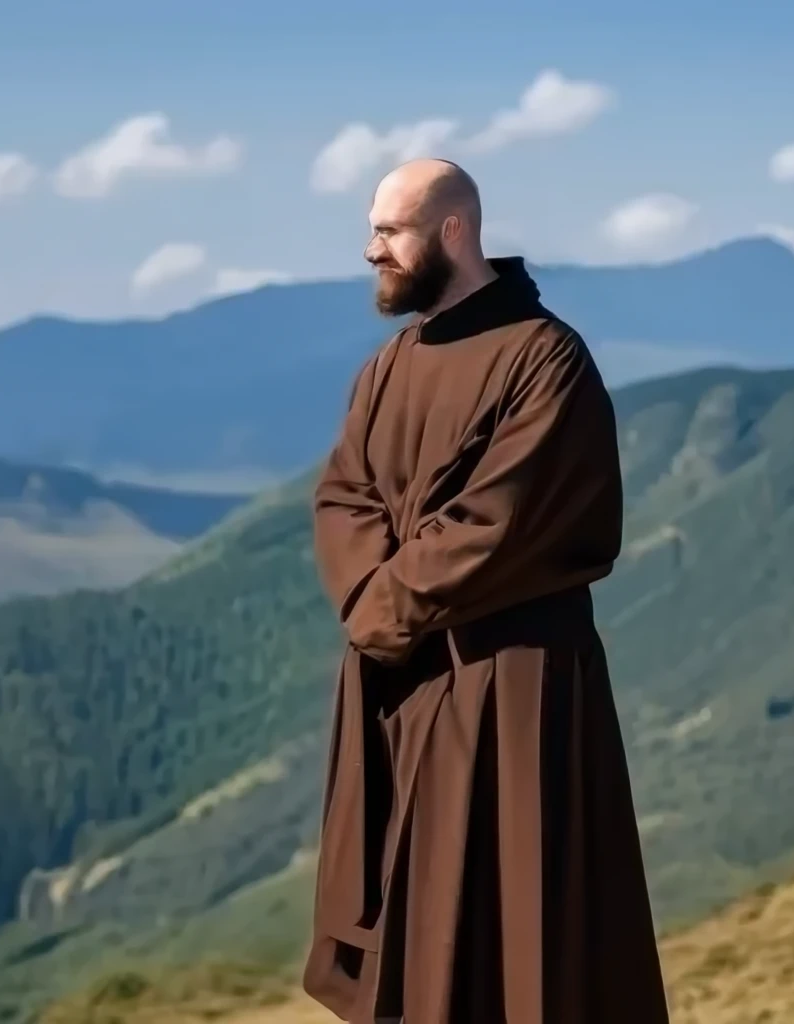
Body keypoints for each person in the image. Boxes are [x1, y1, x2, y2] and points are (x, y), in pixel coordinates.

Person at [302, 158, 670, 1023]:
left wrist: (382, 612)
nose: (371, 251)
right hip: (407, 679)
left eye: (389, 232)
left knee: (527, 931)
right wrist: (374, 611)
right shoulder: (387, 370)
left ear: (453, 232)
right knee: (417, 921)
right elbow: (342, 496)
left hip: (514, 686)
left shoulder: (546, 361)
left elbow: (497, 523)